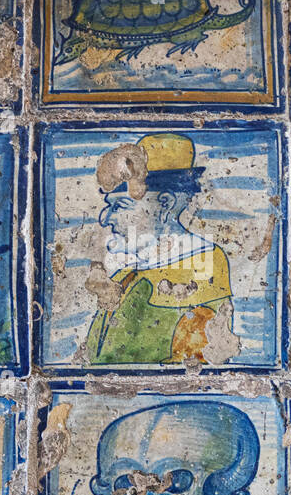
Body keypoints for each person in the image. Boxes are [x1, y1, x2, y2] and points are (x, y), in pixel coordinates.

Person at [86, 133, 232, 364]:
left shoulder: (205, 268)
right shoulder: (127, 274)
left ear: (165, 203)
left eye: (120, 206)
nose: (107, 219)